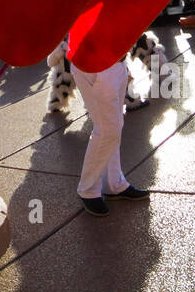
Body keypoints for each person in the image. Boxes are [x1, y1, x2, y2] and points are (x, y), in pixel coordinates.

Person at [63, 33, 148, 216]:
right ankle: (88, 189)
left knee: (114, 126)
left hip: (114, 62)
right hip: (95, 64)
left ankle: (113, 183)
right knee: (108, 129)